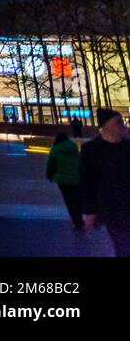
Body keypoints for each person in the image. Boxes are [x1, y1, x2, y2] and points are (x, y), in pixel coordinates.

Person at [80, 108, 130, 254]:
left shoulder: (127, 146)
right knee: (123, 245)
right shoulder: (91, 149)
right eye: (118, 123)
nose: (122, 126)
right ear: (105, 126)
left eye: (122, 122)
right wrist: (89, 211)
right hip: (112, 208)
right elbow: (87, 181)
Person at [45, 132, 83, 229]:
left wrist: (49, 175)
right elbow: (80, 161)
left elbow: (50, 164)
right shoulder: (74, 148)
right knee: (77, 199)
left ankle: (76, 221)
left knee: (69, 201)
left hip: (63, 181)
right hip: (76, 178)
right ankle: (80, 218)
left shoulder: (55, 149)